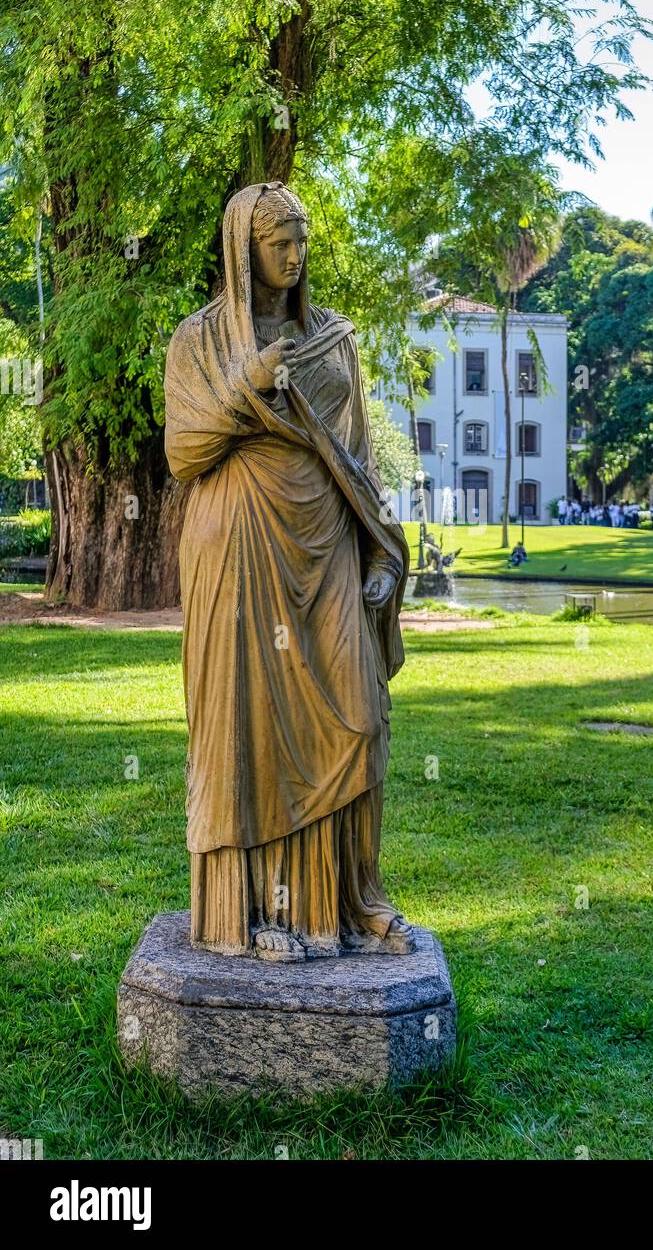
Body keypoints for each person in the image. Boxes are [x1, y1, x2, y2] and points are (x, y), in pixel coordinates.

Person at [164, 182, 413, 962]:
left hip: (327, 541)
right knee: (250, 733)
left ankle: (350, 901)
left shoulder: (334, 340)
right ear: (245, 249)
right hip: (238, 545)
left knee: (359, 714)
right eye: (280, 243)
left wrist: (379, 551)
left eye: (303, 241)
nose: (296, 257)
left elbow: (358, 461)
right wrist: (250, 385)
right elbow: (182, 453)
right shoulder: (200, 341)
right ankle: (259, 915)